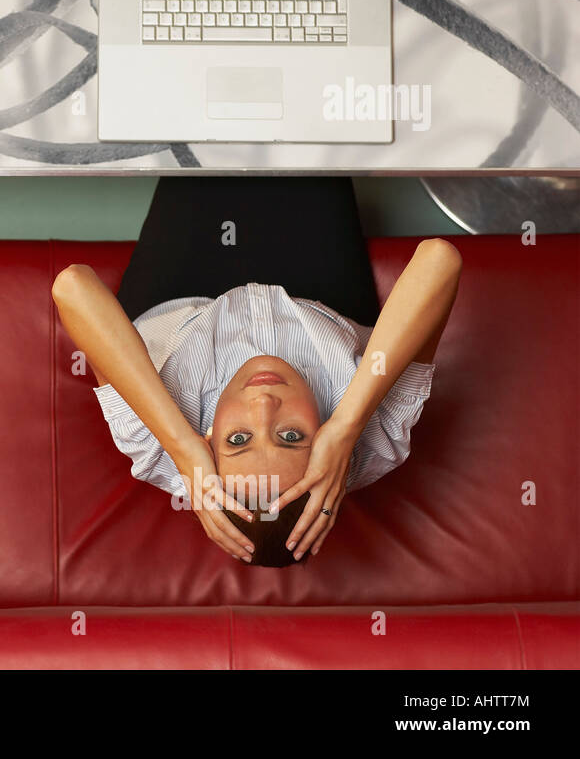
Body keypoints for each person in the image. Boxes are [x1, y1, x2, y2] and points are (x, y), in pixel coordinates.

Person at [51, 177, 462, 567]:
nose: (264, 405)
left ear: (210, 448)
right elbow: (440, 260)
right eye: (291, 437)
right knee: (307, 132)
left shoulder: (157, 451)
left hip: (183, 286)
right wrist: (346, 427)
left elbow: (72, 287)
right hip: (318, 287)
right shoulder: (373, 441)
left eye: (238, 439)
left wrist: (182, 445)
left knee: (204, 134)